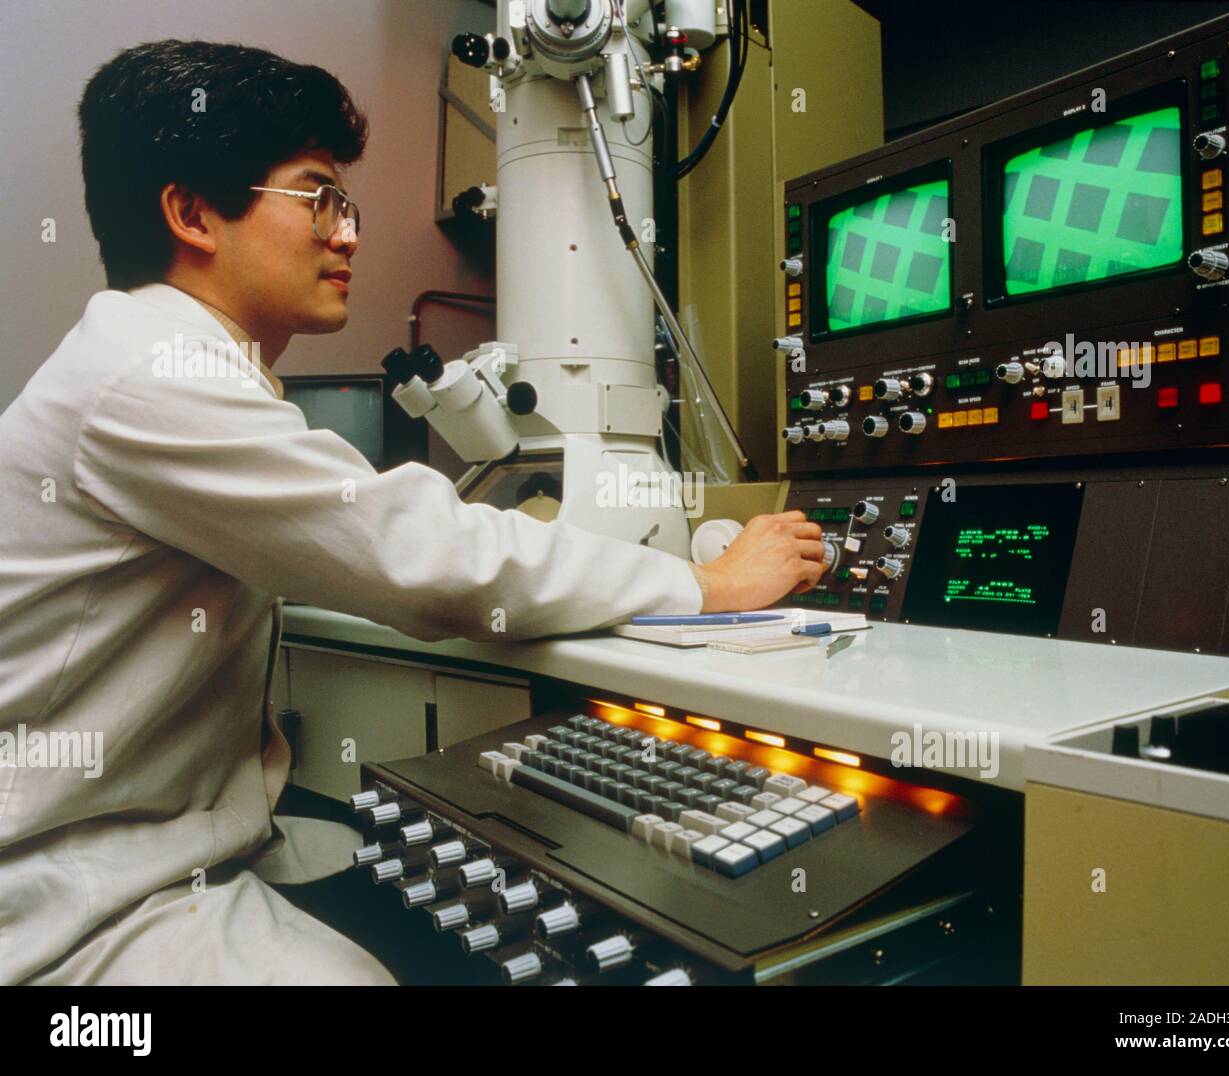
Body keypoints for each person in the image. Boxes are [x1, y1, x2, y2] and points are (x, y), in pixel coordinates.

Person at [0, 39, 825, 985]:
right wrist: (705, 582)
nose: (348, 234)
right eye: (318, 198)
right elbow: (416, 549)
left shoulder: (174, 364)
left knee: (406, 891)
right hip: (67, 892)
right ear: (191, 211)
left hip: (161, 844)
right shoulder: (150, 372)